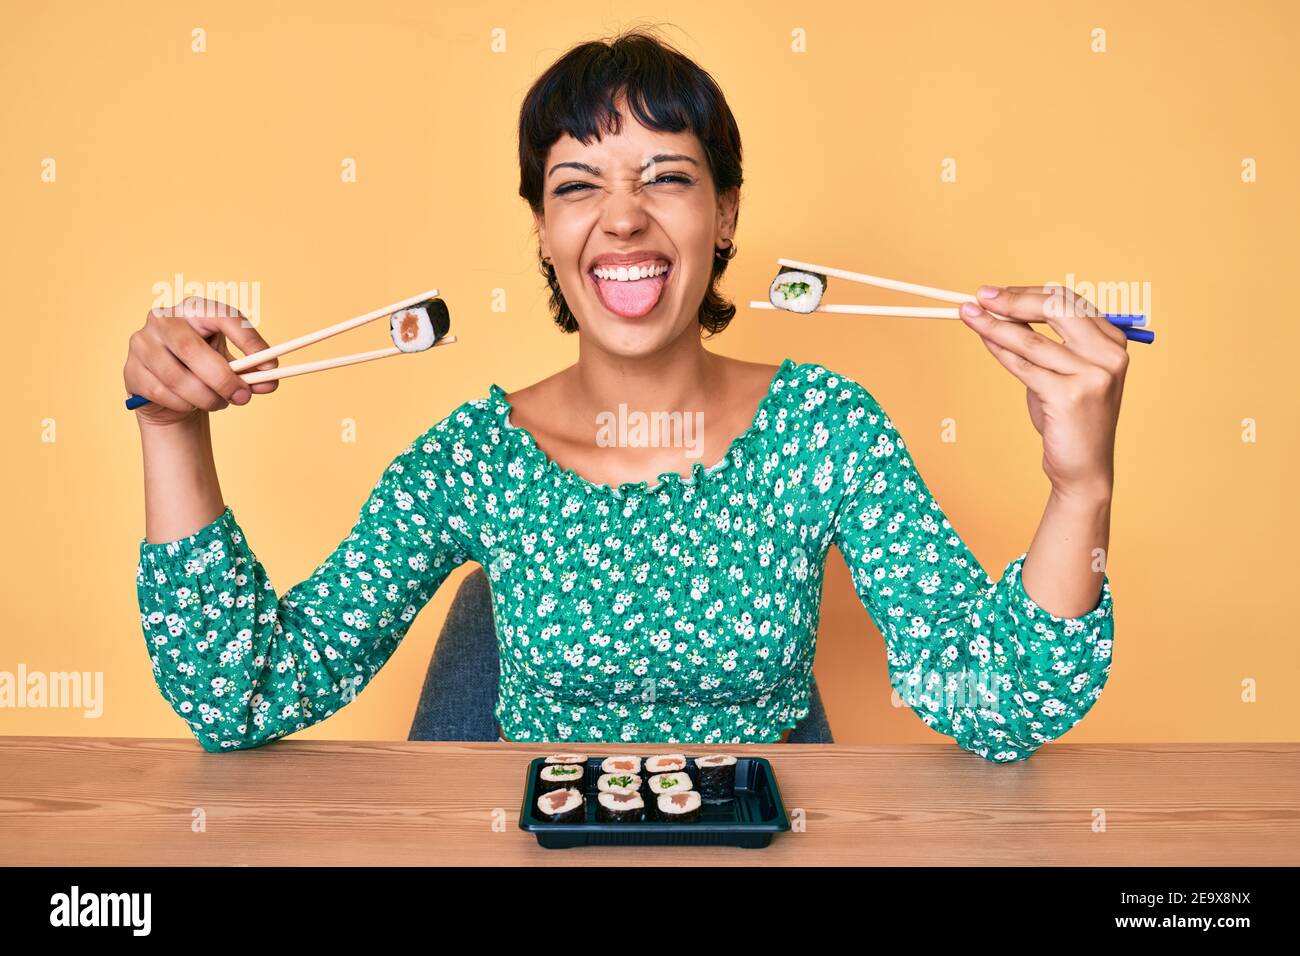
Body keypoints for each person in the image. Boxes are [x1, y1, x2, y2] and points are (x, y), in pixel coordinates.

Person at [125, 29, 1124, 759]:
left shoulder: (826, 430)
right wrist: (170, 428)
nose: (623, 219)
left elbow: (1000, 700)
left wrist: (1079, 487)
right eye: (575, 185)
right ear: (544, 233)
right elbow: (239, 693)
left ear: (725, 215)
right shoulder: (472, 457)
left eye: (667, 178)